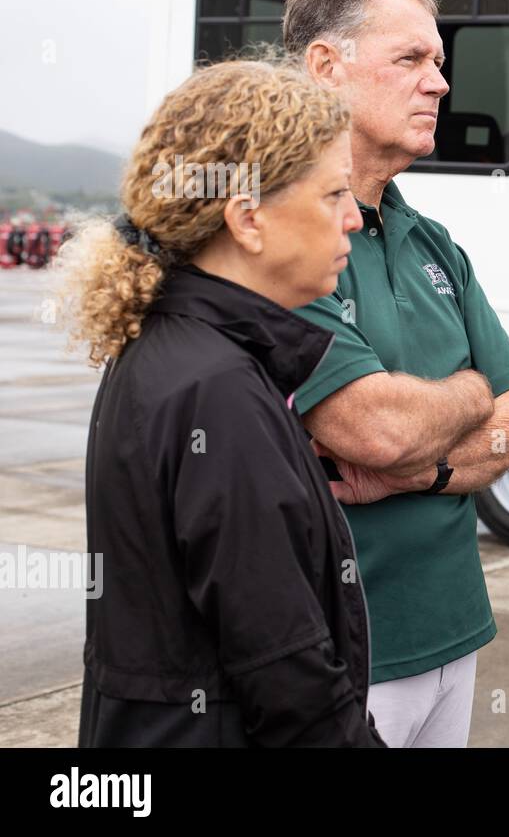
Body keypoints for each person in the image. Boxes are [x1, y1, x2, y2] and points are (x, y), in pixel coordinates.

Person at [58, 59, 384, 746]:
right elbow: (293, 687)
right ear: (249, 220)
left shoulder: (173, 352)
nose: (354, 218)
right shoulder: (218, 391)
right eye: (332, 195)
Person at [281, 0, 509, 748]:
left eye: (439, 61)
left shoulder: (434, 243)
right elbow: (374, 432)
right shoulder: (286, 240)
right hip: (343, 650)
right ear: (326, 68)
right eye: (411, 60)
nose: (440, 83)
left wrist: (427, 467)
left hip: (452, 631)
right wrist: (471, 392)